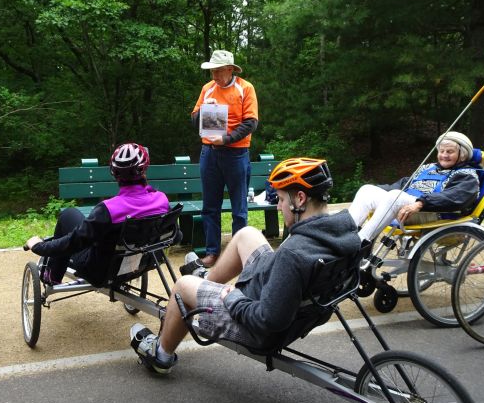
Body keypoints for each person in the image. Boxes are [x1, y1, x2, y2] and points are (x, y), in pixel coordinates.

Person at [129, 157, 360, 374]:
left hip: (254, 324)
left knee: (182, 285)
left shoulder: (294, 253)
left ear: (300, 199)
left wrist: (233, 299)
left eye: (280, 199)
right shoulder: (344, 233)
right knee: (246, 233)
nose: (279, 207)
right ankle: (203, 289)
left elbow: (268, 321)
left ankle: (161, 356)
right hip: (281, 299)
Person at [25, 143, 170, 287]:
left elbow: (71, 243)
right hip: (143, 263)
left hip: (99, 272)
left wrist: (39, 246)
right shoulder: (161, 200)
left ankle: (53, 275)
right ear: (144, 169)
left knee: (68, 215)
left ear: (114, 172)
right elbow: (176, 235)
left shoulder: (108, 209)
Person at [182, 50, 259, 276]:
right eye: (211, 70)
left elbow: (251, 122)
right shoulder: (207, 89)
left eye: (217, 70)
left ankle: (239, 254)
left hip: (236, 154)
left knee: (239, 210)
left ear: (229, 69)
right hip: (209, 153)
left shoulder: (245, 88)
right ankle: (212, 252)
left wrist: (226, 138)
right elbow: (194, 119)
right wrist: (206, 108)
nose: (213, 75)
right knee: (210, 206)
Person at [348, 131, 480, 244]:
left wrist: (421, 203)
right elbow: (403, 184)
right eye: (441, 151)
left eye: (450, 152)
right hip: (407, 207)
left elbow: (453, 198)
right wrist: (378, 190)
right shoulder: (428, 168)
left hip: (433, 212)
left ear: (462, 154)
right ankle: (345, 236)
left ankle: (359, 243)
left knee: (395, 196)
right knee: (367, 190)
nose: (444, 155)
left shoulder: (467, 175)